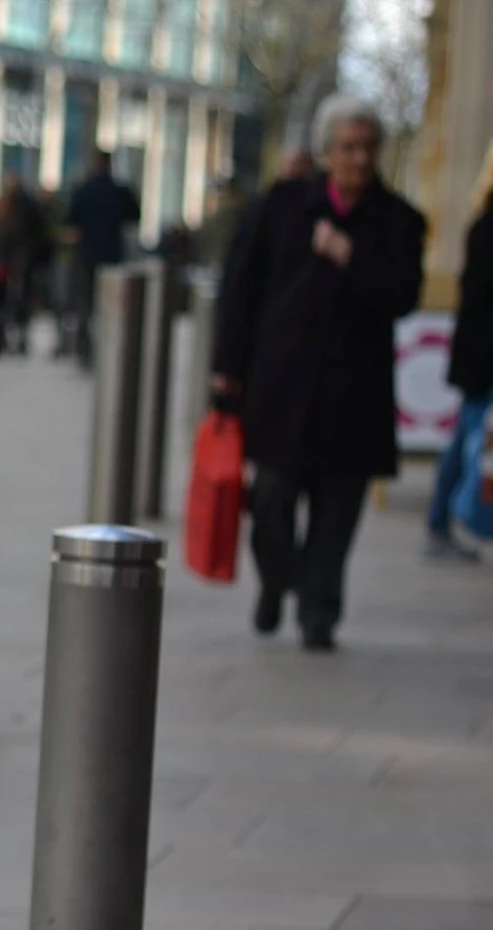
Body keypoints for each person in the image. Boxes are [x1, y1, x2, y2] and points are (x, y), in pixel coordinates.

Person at [214, 94, 426, 651]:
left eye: (367, 148)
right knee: (271, 504)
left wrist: (349, 256)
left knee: (337, 513)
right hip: (281, 388)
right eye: (347, 148)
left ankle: (318, 611)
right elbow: (242, 289)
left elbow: (403, 296)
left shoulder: (399, 221)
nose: (358, 159)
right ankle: (277, 581)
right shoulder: (284, 206)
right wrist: (226, 368)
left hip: (353, 398)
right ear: (326, 152)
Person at [427, 138, 493, 561]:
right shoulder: (486, 228)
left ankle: (441, 521)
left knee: (465, 441)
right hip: (484, 360)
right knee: (471, 442)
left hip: (479, 358)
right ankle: (450, 519)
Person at [63, 149, 141, 366]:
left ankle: (84, 351)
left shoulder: (84, 190)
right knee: (111, 307)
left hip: (87, 255)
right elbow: (135, 216)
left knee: (85, 305)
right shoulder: (119, 191)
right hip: (112, 256)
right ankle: (109, 348)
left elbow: (70, 223)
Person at [0, 173, 49, 353]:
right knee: (19, 299)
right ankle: (17, 335)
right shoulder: (27, 205)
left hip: (13, 260)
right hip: (19, 260)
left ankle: (10, 335)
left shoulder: (10, 206)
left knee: (13, 299)